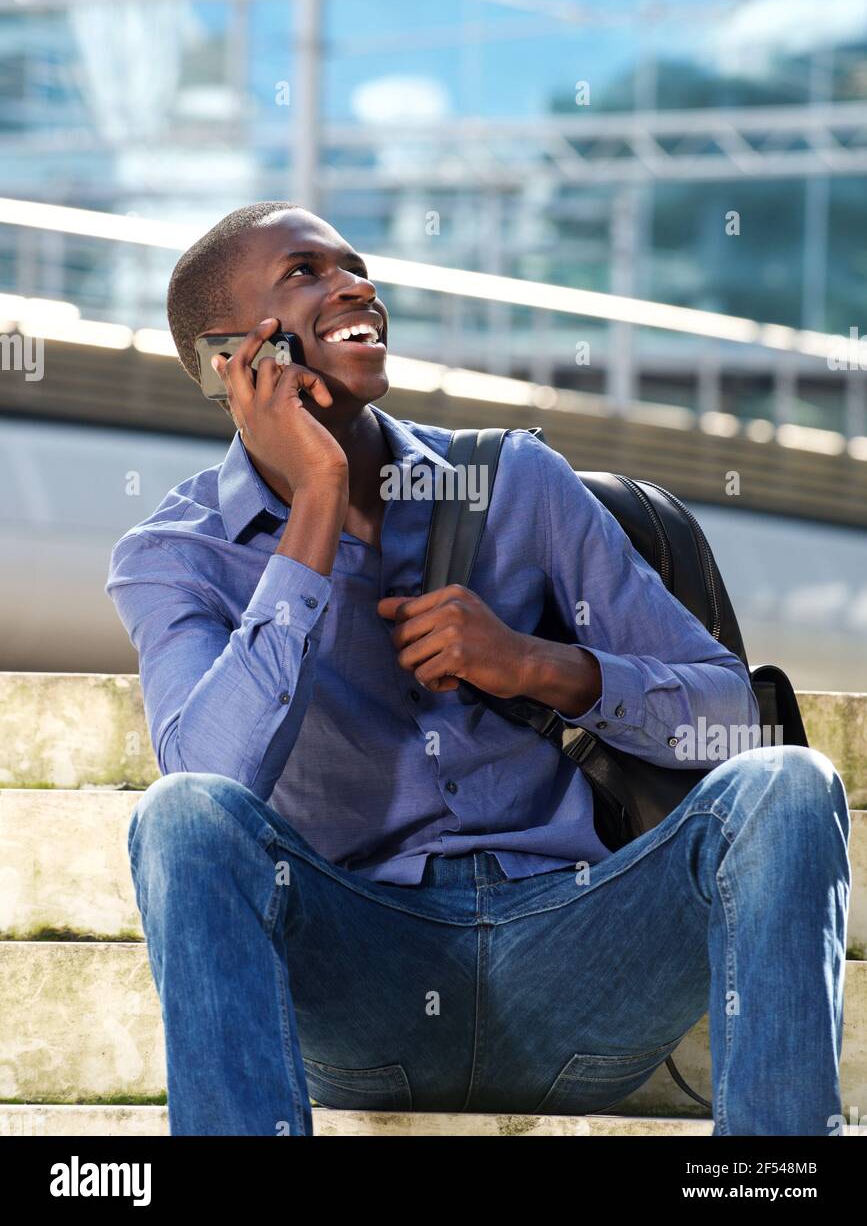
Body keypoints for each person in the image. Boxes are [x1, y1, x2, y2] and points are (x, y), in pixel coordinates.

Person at [106, 202, 851, 1137]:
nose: (354, 285)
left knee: (788, 781)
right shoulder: (174, 554)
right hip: (360, 986)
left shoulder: (517, 486)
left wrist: (537, 664)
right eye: (304, 273)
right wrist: (318, 502)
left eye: (355, 265)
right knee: (177, 814)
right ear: (233, 360)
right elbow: (212, 782)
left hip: (586, 962)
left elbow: (735, 723)